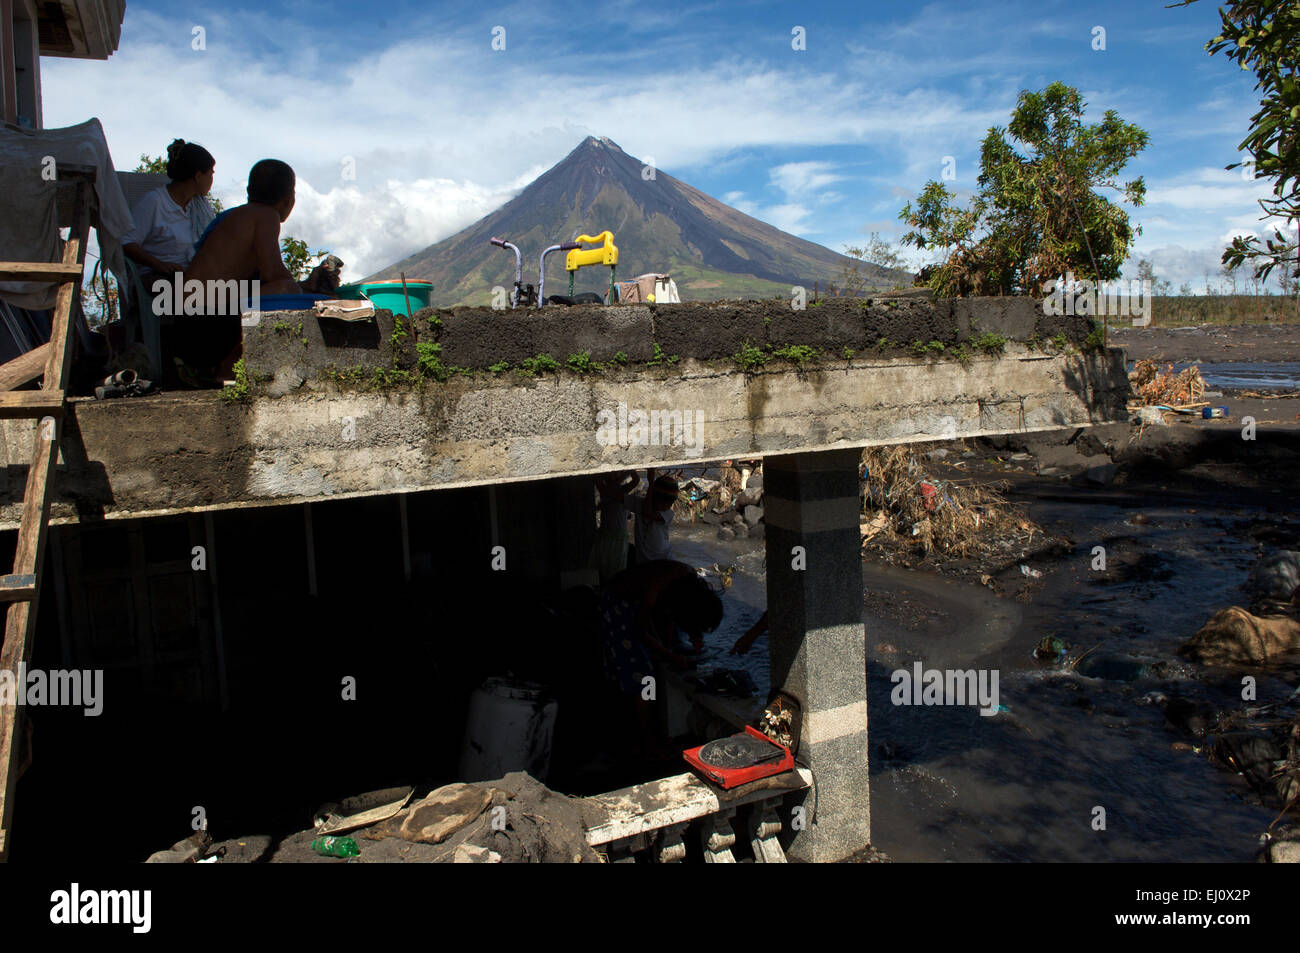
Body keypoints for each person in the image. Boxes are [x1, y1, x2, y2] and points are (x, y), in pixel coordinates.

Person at [599, 559, 724, 756]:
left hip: (640, 605)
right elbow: (640, 631)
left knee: (658, 653)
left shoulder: (688, 584)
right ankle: (648, 741)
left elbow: (672, 614)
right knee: (644, 676)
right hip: (619, 602)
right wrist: (670, 655)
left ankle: (645, 723)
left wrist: (694, 638)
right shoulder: (659, 586)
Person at [185, 158, 338, 296]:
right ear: (288, 200)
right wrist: (298, 288)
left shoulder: (235, 216)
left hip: (193, 304)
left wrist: (308, 285)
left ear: (248, 191)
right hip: (204, 310)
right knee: (288, 289)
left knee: (291, 288)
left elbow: (264, 284)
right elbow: (275, 274)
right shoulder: (266, 215)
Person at [122, 139, 215, 279]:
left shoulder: (198, 205)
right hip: (159, 277)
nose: (212, 179)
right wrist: (158, 264)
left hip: (192, 275)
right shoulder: (154, 202)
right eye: (211, 173)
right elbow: (126, 242)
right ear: (198, 176)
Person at [625, 469, 679, 565]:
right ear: (655, 498)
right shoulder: (640, 503)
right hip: (643, 560)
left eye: (670, 503)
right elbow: (616, 495)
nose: (668, 506)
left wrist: (651, 484)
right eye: (665, 502)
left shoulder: (668, 514)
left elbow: (647, 513)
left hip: (664, 560)